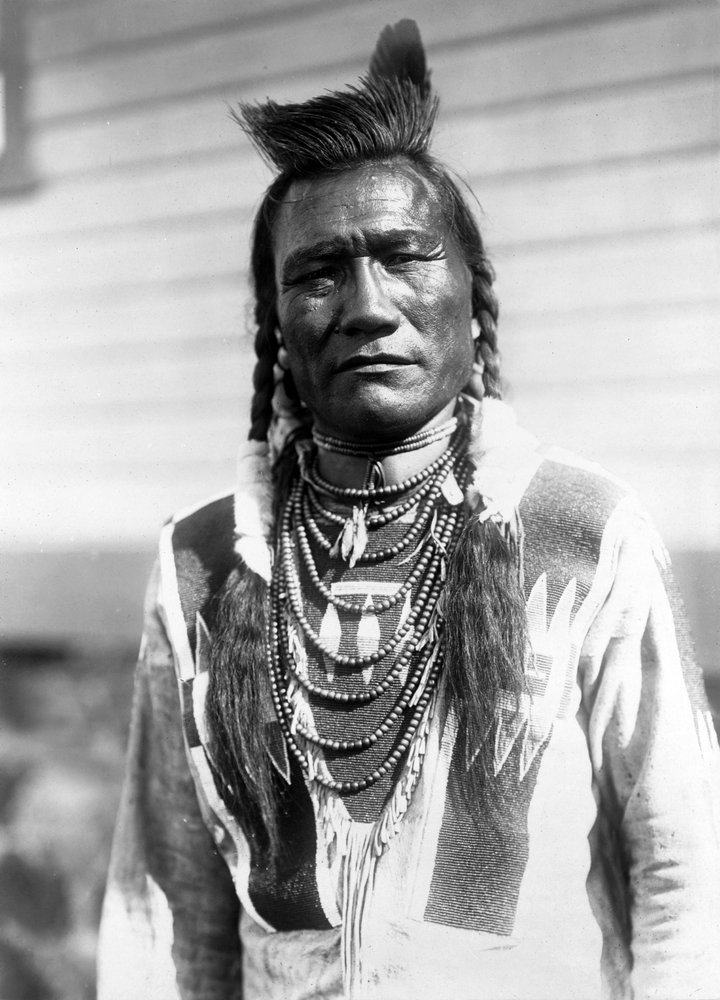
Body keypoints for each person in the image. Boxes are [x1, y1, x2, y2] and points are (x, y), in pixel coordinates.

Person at [98, 21, 720, 1000]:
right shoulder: (205, 562)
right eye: (318, 272)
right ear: (277, 324)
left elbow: (687, 885)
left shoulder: (582, 532)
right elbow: (164, 909)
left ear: (473, 300)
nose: (367, 304)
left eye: (404, 256)